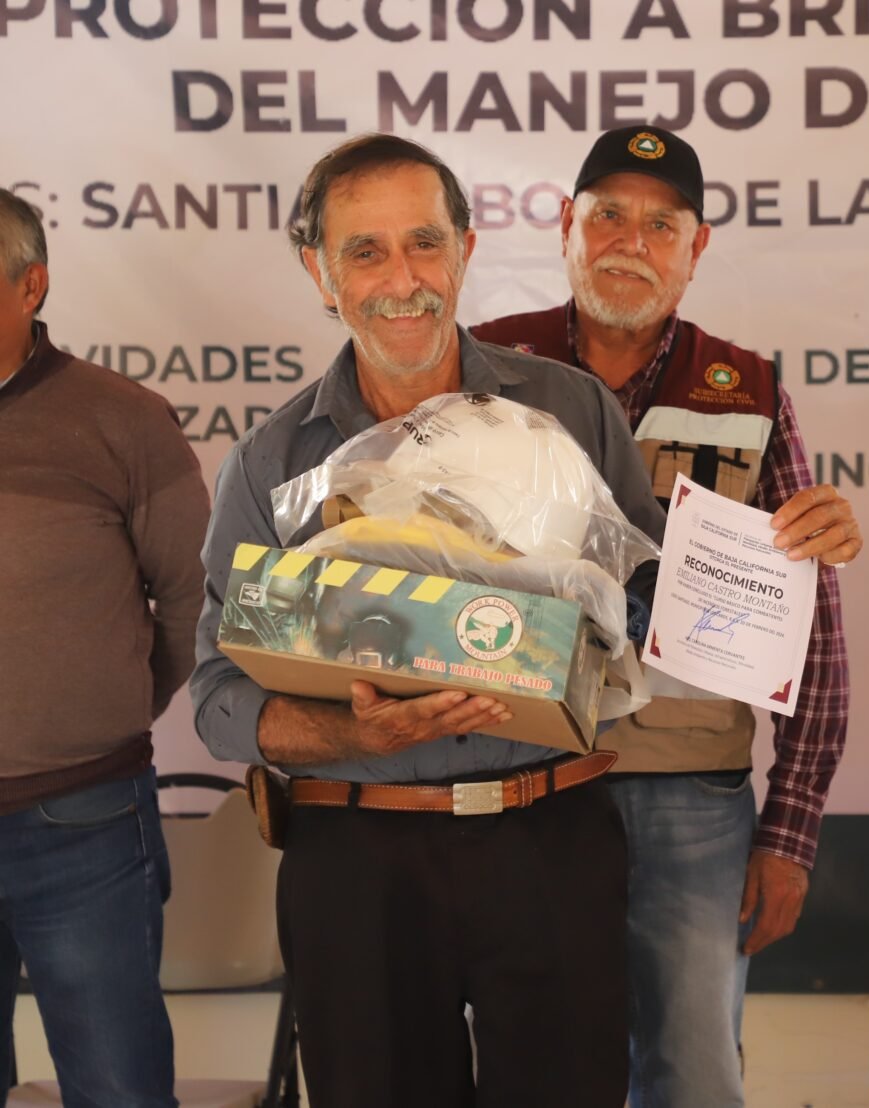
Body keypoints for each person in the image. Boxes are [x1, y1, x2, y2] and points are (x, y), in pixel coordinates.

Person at [188, 134, 668, 1108]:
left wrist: (763, 561)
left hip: (551, 838)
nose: (401, 279)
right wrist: (344, 730)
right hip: (356, 861)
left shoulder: (569, 413)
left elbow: (651, 606)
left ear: (465, 249)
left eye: (423, 244)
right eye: (365, 252)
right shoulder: (273, 464)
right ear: (319, 272)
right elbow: (217, 694)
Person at [471, 126, 856, 1108]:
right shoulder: (485, 369)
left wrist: (790, 833)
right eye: (607, 215)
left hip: (696, 802)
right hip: (526, 788)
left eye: (659, 224)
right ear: (565, 226)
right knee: (537, 1075)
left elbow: (819, 635)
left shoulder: (751, 390)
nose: (629, 242)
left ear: (697, 247)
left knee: (694, 1078)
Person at [0, 187, 209, 1106]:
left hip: (78, 819)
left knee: (117, 1091)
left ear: (30, 284)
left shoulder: (120, 419)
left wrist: (103, 706)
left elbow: (197, 603)